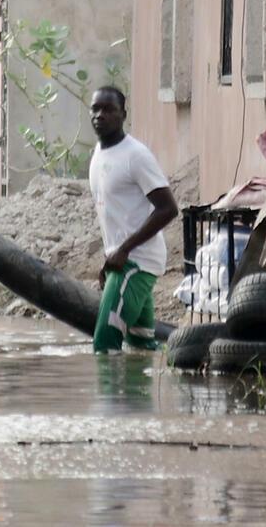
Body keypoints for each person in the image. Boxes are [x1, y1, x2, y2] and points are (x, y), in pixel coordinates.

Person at [86, 85, 178, 353]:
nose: (100, 115)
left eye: (108, 109)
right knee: (141, 347)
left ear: (123, 114)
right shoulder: (99, 154)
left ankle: (109, 396)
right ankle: (148, 393)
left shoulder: (135, 155)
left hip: (137, 262)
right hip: (122, 260)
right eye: (95, 108)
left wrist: (123, 250)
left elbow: (168, 208)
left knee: (104, 345)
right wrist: (110, 255)